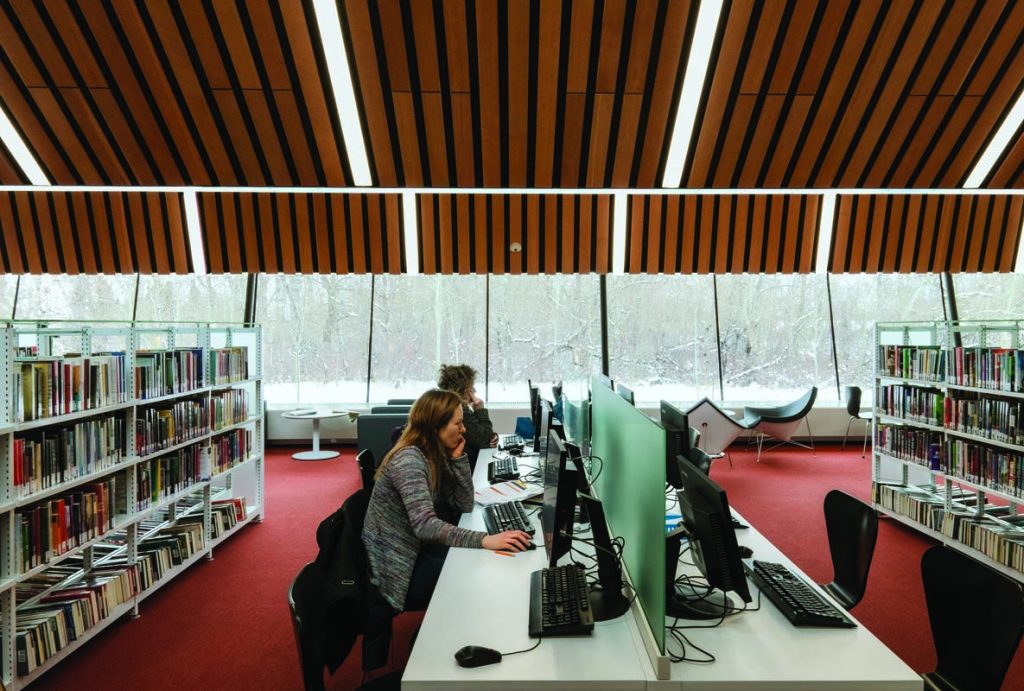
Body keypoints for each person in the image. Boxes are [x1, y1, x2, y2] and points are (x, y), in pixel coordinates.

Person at [361, 389, 531, 612]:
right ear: (435, 427)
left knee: (481, 563)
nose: (464, 430)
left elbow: (463, 504)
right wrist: (485, 539)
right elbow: (425, 525)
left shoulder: (433, 452)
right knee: (479, 576)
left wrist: (458, 458)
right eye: (458, 424)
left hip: (418, 550)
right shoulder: (410, 460)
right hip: (399, 570)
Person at [437, 364, 498, 461]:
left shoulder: (448, 406)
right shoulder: (459, 411)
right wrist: (480, 410)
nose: (474, 391)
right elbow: (486, 441)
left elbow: (484, 437)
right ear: (465, 390)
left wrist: (492, 438)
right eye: (472, 387)